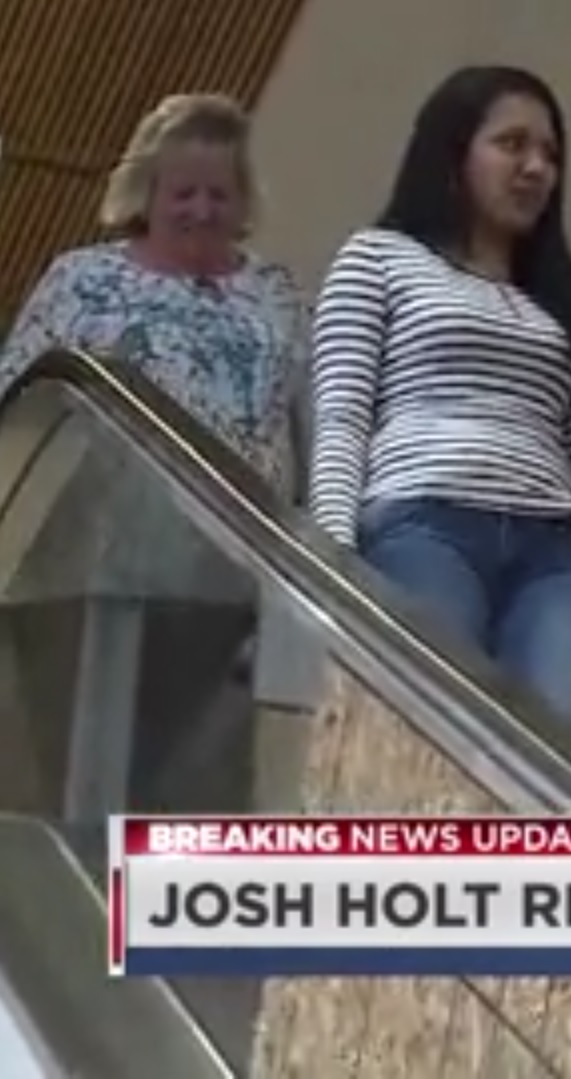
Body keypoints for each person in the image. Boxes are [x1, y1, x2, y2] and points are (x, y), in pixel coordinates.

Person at [0, 93, 311, 820]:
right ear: (147, 194)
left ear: (244, 202)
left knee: (196, 776)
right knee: (85, 766)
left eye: (219, 193)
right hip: (98, 557)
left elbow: (306, 417)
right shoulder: (84, 279)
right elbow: (16, 389)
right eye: (183, 192)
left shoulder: (272, 292)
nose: (201, 209)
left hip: (233, 570)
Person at [306, 66, 571, 727]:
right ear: (454, 151)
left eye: (549, 154)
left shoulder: (564, 299)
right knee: (434, 742)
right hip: (423, 528)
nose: (535, 168)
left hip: (553, 557)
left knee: (549, 759)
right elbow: (342, 417)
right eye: (511, 144)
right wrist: (329, 560)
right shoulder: (376, 257)